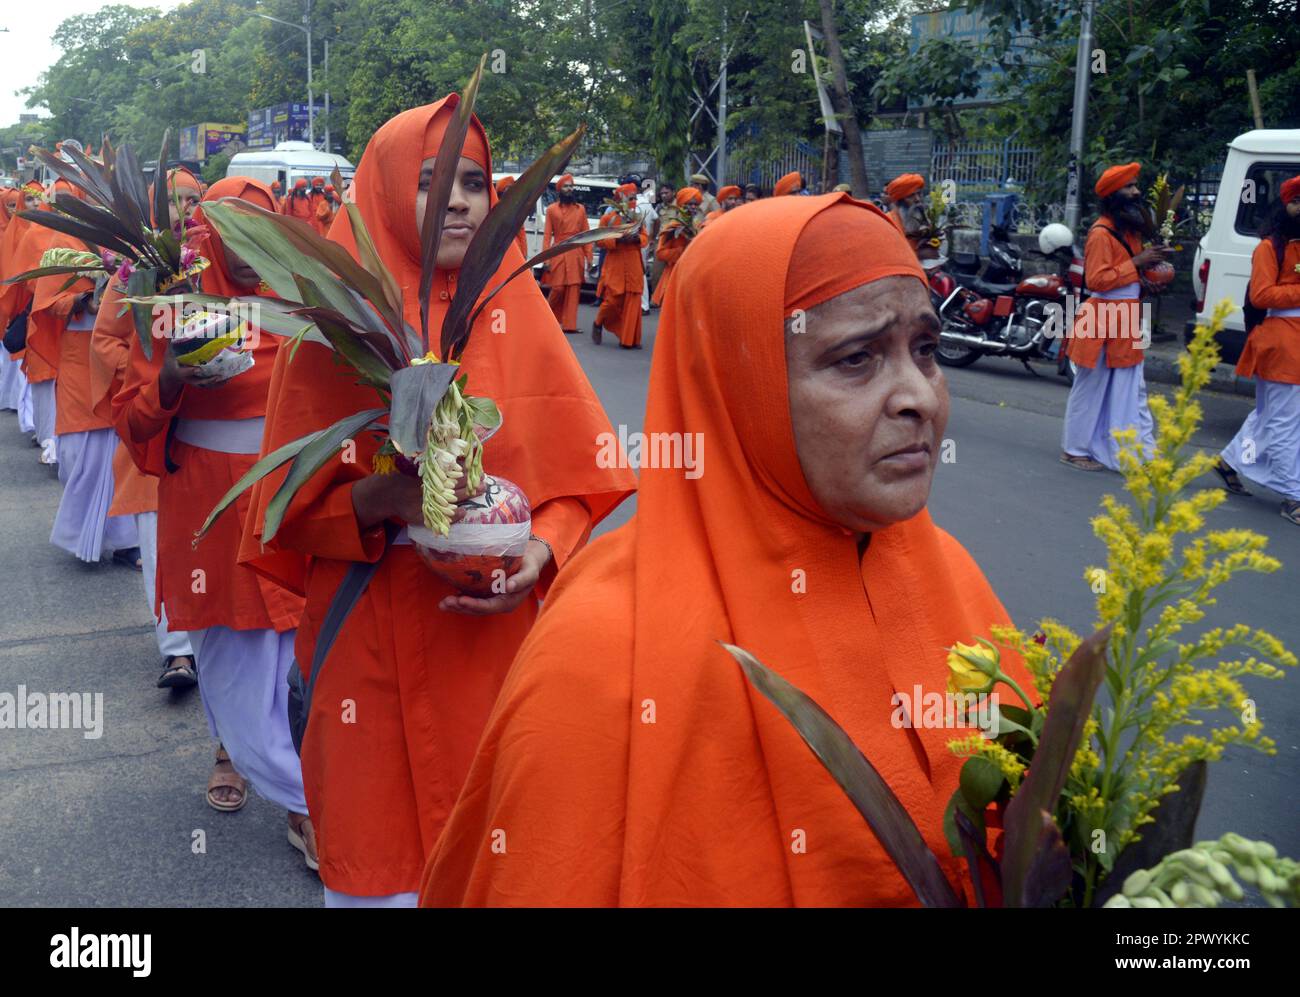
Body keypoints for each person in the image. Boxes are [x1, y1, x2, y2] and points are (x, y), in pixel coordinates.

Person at [420, 193, 1034, 907]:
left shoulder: (949, 576)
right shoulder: (604, 647)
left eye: (925, 350)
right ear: (738, 382)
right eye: (857, 357)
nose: (919, 398)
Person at [238, 97, 637, 906]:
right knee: (381, 871)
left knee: (508, 868)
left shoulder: (511, 302)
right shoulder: (334, 325)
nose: (459, 199)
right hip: (369, 656)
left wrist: (542, 551)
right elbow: (281, 513)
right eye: (430, 182)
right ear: (383, 190)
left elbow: (575, 480)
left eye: (475, 182)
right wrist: (383, 498)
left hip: (498, 655)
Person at [113, 176, 312, 853]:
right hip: (210, 516)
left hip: (292, 511)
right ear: (210, 236)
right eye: (237, 230)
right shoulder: (176, 308)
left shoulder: (309, 303)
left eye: (265, 228)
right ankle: (299, 788)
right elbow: (134, 421)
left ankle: (304, 801)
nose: (253, 247)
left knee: (295, 661)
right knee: (233, 666)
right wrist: (172, 375)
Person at [24, 177, 140, 565]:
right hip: (78, 354)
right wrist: (84, 301)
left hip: (120, 348)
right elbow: (46, 303)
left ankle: (126, 540)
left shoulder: (128, 244)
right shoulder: (60, 246)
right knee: (78, 454)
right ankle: (80, 534)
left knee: (119, 449)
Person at [1060, 162, 1164, 472]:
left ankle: (1137, 452)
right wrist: (1137, 262)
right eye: (1129, 187)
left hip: (1128, 314)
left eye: (1135, 185)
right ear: (1112, 195)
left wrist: (1144, 279)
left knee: (1132, 386)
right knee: (1091, 386)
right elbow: (1097, 280)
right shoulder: (1100, 233)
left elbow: (1124, 276)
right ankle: (1074, 449)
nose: (1137, 191)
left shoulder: (1129, 231)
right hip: (1103, 314)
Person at [1215, 175, 1300, 526]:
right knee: (1285, 421)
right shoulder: (1269, 248)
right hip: (1282, 340)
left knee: (1272, 416)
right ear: (1288, 206)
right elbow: (1261, 296)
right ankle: (1293, 495)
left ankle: (1228, 463)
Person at [591, 182, 649, 349]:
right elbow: (599, 241)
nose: (633, 201)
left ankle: (629, 340)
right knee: (612, 299)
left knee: (633, 299)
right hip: (614, 262)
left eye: (634, 198)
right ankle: (598, 322)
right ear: (620, 199)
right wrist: (617, 240)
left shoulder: (637, 218)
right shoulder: (608, 218)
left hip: (633, 263)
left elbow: (645, 238)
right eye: (630, 198)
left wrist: (637, 239)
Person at [540, 173, 590, 334]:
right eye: (566, 186)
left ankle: (570, 325)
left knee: (574, 289)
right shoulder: (551, 210)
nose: (570, 189)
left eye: (571, 186)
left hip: (576, 252)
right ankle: (546, 318)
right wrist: (546, 257)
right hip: (559, 251)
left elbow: (586, 234)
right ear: (560, 189)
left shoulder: (580, 209)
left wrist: (589, 257)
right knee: (558, 288)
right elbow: (547, 235)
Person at [652, 187, 702, 308]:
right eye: (690, 204)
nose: (694, 207)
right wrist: (683, 251)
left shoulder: (698, 226)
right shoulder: (672, 227)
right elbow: (660, 253)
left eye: (696, 204)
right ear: (681, 205)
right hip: (675, 277)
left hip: (694, 277)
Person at [884, 174, 928, 254]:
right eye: (911, 196)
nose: (917, 199)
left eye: (919, 194)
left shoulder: (927, 218)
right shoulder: (887, 222)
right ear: (899, 201)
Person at [493, 175, 529, 259]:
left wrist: (524, 255)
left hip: (516, 249)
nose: (509, 193)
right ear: (500, 194)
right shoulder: (493, 209)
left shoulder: (517, 210)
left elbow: (521, 234)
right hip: (498, 252)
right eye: (506, 190)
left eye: (511, 190)